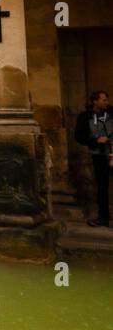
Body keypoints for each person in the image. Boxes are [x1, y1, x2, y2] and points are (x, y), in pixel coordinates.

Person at [75, 89, 112, 227]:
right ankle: (103, 217)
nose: (107, 102)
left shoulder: (111, 113)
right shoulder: (85, 117)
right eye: (104, 100)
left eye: (107, 100)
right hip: (99, 156)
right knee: (102, 187)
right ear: (95, 101)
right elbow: (79, 136)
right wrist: (96, 141)